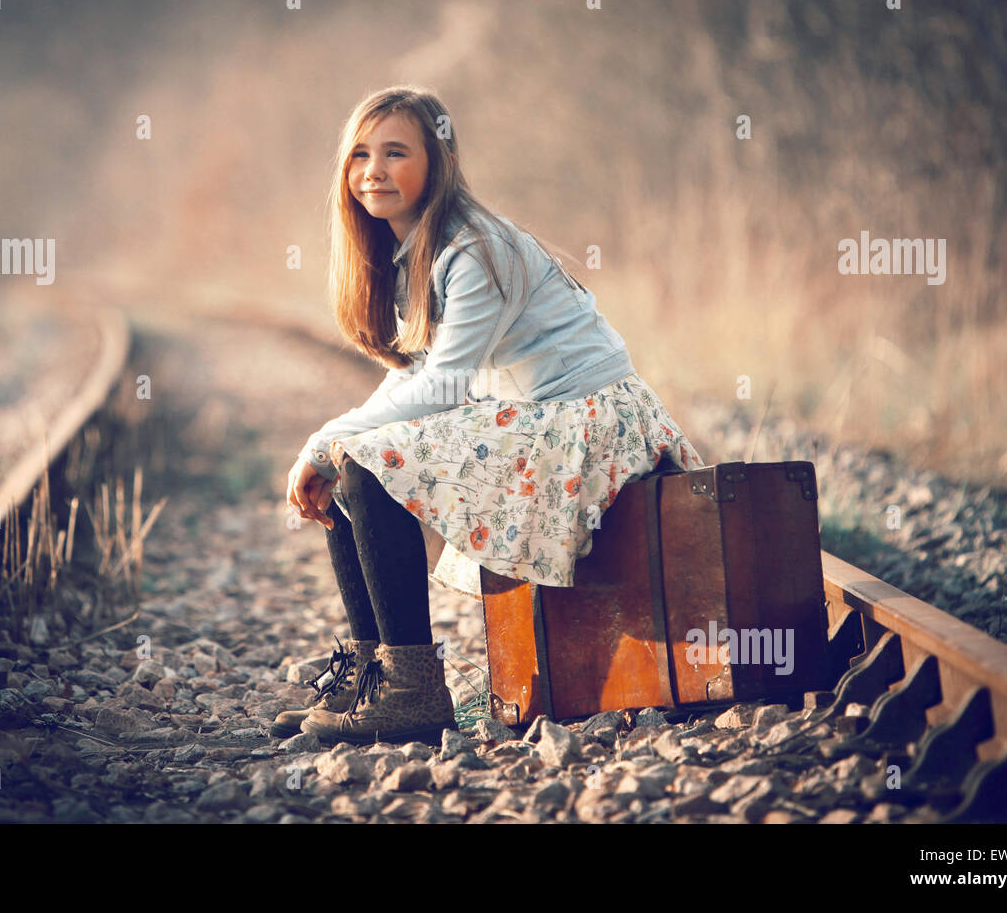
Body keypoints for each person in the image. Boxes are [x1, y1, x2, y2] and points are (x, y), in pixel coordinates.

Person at [274, 85, 704, 746]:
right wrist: (328, 443)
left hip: (586, 420)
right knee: (353, 458)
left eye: (396, 153)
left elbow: (445, 387)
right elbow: (415, 373)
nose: (374, 172)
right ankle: (371, 674)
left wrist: (332, 443)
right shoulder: (413, 248)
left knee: (366, 460)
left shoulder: (473, 246)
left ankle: (415, 691)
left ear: (438, 160)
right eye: (360, 155)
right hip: (539, 416)